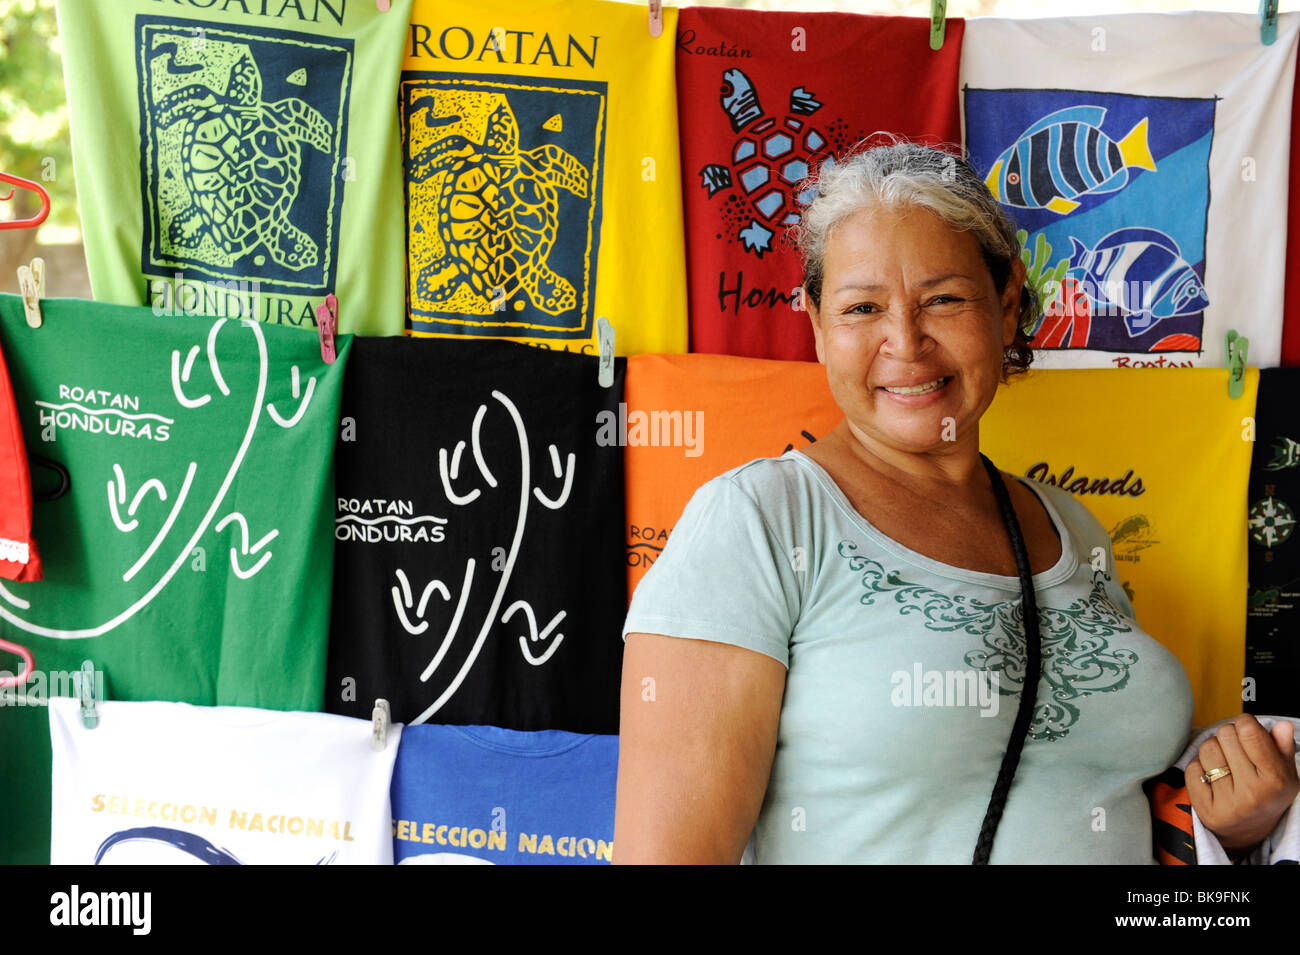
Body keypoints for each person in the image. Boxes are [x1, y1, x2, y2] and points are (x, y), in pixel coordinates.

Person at [613, 137, 1299, 864]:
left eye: (943, 299)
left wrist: (1235, 823)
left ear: (1006, 308)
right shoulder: (757, 523)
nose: (905, 342)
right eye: (862, 307)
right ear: (816, 326)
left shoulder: (1071, 527)